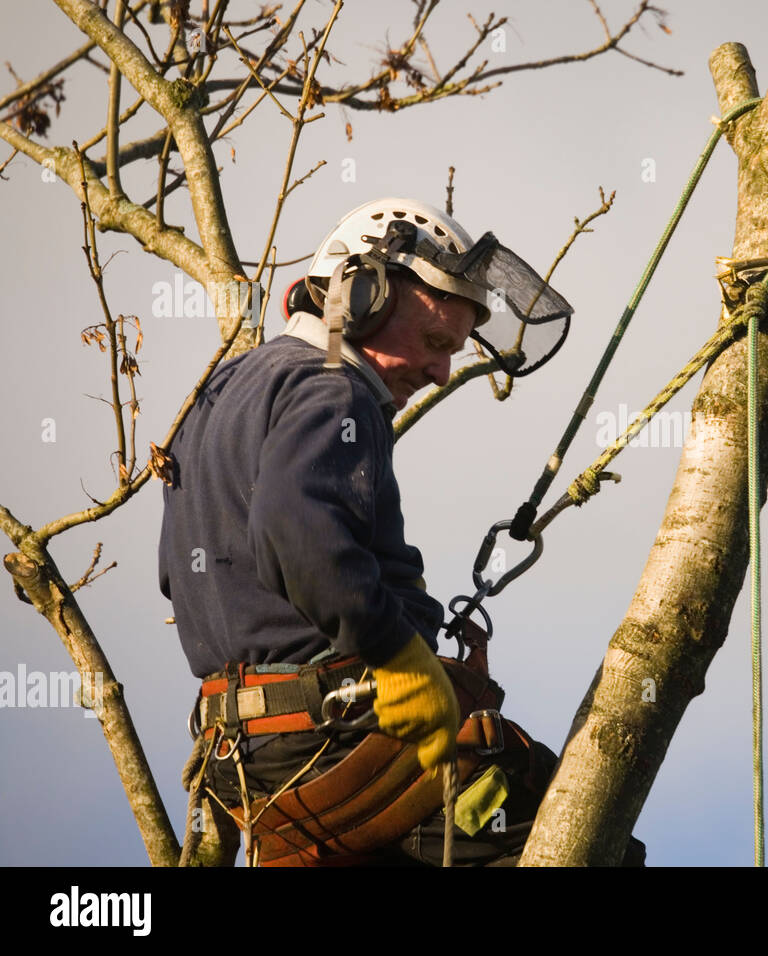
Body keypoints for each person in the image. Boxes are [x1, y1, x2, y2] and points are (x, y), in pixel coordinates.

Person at [158, 197, 643, 865]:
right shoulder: (336, 389)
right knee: (591, 837)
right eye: (437, 342)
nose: (442, 372)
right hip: (332, 743)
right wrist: (396, 655)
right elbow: (297, 531)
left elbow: (179, 576)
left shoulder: (226, 391)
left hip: (246, 764)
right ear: (362, 297)